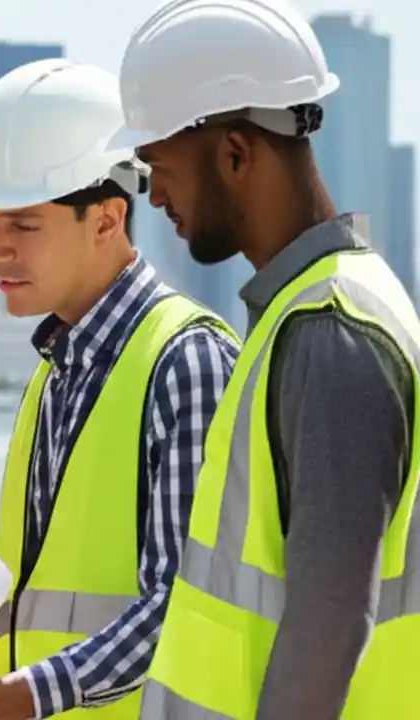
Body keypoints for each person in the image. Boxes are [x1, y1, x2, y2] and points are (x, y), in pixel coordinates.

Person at [0, 59, 240, 720]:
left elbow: (185, 602)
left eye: (21, 225)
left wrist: (17, 698)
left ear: (105, 220)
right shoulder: (51, 375)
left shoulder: (187, 363)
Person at [106, 0, 419, 717]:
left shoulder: (330, 334)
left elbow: (328, 626)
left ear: (236, 154)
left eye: (160, 169)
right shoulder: (300, 318)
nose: (156, 199)